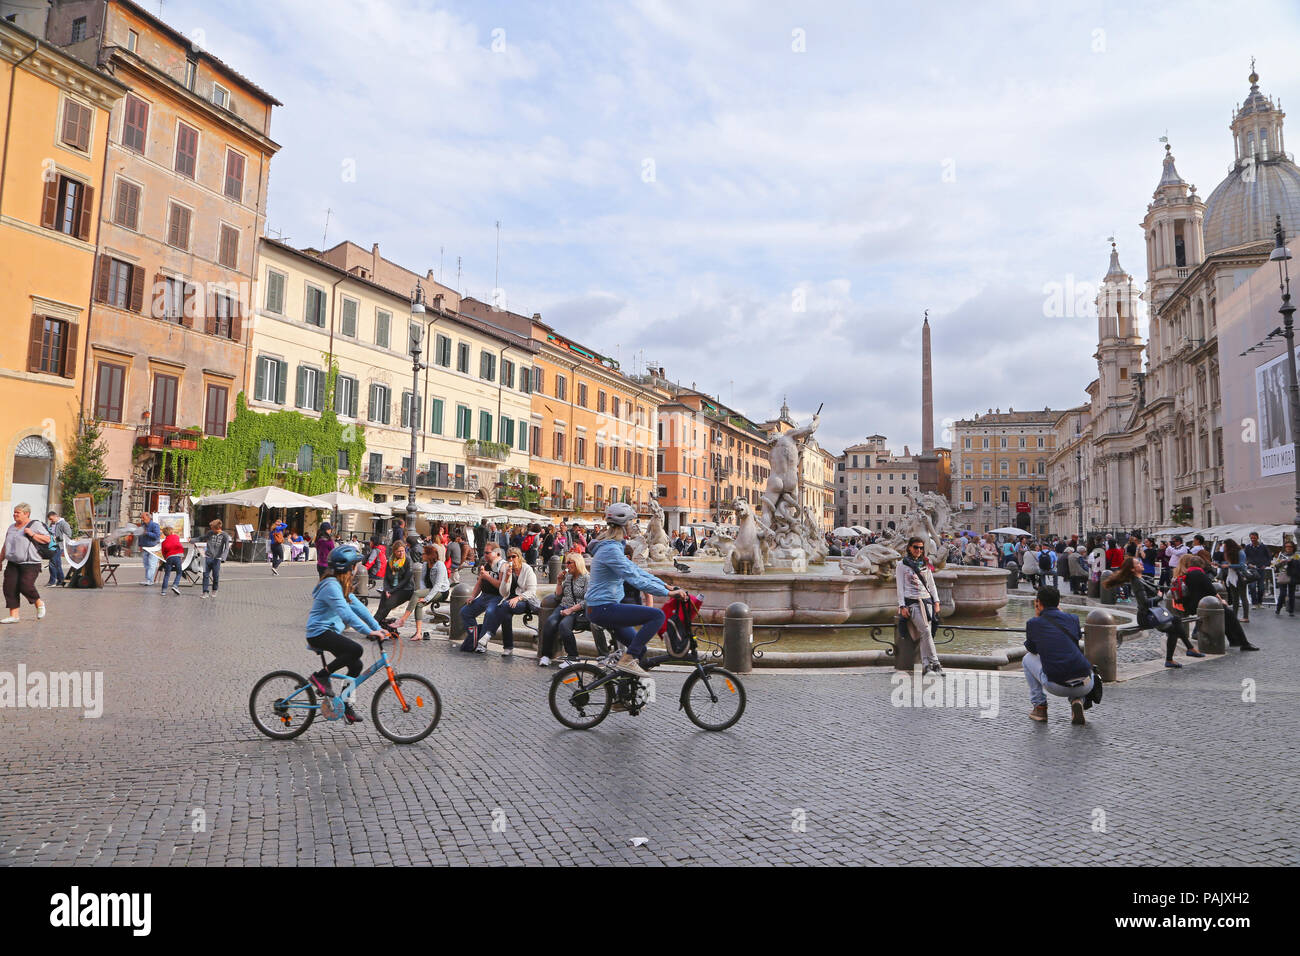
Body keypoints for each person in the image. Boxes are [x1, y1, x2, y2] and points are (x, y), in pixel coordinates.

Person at [584, 503, 687, 677]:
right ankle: (627, 659)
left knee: (639, 648)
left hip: (602, 607)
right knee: (657, 616)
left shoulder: (613, 546)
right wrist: (668, 594)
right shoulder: (610, 550)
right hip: (603, 608)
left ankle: (621, 698)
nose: (634, 525)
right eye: (632, 522)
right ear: (625, 525)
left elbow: (637, 571)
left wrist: (665, 585)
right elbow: (634, 579)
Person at [305, 544, 387, 723]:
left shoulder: (341, 585)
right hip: (318, 632)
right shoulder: (331, 586)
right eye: (355, 565)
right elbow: (346, 614)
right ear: (349, 567)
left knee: (356, 665)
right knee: (356, 649)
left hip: (329, 632)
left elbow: (358, 607)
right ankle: (321, 676)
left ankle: (345, 704)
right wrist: (368, 631)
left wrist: (377, 626)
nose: (357, 569)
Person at [1103, 556, 1202, 668]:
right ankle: (1173, 658)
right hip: (1147, 616)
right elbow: (1144, 603)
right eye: (1138, 564)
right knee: (1174, 630)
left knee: (1176, 620)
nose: (1141, 564)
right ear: (1132, 569)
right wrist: (1159, 597)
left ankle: (1189, 649)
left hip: (1153, 613)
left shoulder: (1142, 579)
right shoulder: (1137, 582)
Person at [1023, 586, 1099, 725]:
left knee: (1026, 659)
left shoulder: (1034, 623)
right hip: (1087, 683)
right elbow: (1073, 643)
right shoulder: (1073, 619)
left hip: (1056, 685)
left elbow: (1032, 649)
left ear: (1038, 602)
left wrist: (1037, 616)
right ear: (1059, 602)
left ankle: (1040, 707)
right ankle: (1078, 700)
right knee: (1072, 663)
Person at [1181, 554, 1259, 651]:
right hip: (1203, 605)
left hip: (1195, 604)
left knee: (1226, 615)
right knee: (1229, 614)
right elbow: (1211, 590)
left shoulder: (1188, 574)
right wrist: (1221, 601)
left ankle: (1235, 641)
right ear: (1201, 564)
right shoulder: (1199, 574)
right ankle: (1243, 643)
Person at [476, 547, 540, 656]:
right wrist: (507, 578)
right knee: (506, 613)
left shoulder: (527, 569)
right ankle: (508, 647)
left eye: (513, 556)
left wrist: (518, 598)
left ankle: (489, 634)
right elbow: (503, 592)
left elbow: (532, 591)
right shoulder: (507, 569)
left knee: (504, 607)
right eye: (509, 557)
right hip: (509, 601)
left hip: (526, 600)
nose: (511, 559)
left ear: (519, 557)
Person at [896, 536, 944, 676]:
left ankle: (926, 666)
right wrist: (902, 606)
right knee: (926, 631)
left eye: (921, 548)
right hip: (912, 601)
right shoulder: (902, 564)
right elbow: (899, 586)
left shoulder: (925, 563)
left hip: (927, 601)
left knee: (925, 633)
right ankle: (935, 662)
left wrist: (936, 602)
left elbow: (931, 584)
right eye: (916, 547)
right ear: (909, 548)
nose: (918, 550)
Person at [1, 504, 50, 623]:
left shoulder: (35, 525)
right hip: (13, 562)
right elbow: (5, 544)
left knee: (26, 585)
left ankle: (39, 603)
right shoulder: (12, 527)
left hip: (31, 562)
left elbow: (47, 539)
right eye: (14, 512)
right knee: (9, 587)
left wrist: (32, 534)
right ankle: (14, 615)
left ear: (26, 513)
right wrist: (1, 558)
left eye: (18, 512)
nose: (15, 515)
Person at [539, 552, 588, 667]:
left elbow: (587, 600)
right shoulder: (568, 577)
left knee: (564, 626)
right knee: (550, 622)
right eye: (566, 562)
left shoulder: (586, 578)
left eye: (569, 563)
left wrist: (571, 610)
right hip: (563, 606)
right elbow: (558, 596)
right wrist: (559, 581)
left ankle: (573, 657)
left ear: (577, 563)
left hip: (576, 609)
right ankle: (546, 655)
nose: (566, 565)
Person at [395, 543, 450, 641]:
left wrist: (426, 598)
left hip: (441, 591)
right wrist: (423, 592)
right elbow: (421, 580)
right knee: (419, 604)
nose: (422, 555)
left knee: (416, 594)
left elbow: (438, 585)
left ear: (430, 555)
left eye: (424, 554)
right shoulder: (425, 564)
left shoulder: (440, 565)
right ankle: (418, 633)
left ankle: (402, 619)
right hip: (430, 590)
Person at [459, 541, 505, 652]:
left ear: (496, 553)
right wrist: (472, 596)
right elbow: (480, 582)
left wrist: (487, 576)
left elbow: (501, 586)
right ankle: (475, 635)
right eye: (484, 553)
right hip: (484, 596)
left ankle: (481, 644)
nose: (484, 555)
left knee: (489, 613)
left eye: (487, 553)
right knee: (465, 612)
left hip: (497, 597)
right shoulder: (485, 564)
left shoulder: (503, 566)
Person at [375, 539, 415, 624]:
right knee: (382, 606)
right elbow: (386, 577)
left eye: (403, 551)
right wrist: (386, 589)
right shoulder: (390, 561)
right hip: (391, 587)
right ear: (394, 552)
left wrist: (391, 591)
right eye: (399, 551)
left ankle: (373, 624)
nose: (401, 553)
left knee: (388, 604)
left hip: (405, 589)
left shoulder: (408, 560)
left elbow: (406, 580)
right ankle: (377, 623)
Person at [1217, 539, 1251, 624]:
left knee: (1243, 597)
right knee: (1234, 597)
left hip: (1240, 576)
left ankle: (1246, 617)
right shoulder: (1231, 553)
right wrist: (1221, 565)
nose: (1224, 547)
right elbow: (1229, 563)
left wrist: (1228, 565)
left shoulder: (1240, 552)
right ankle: (1234, 616)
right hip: (1232, 576)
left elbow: (1242, 565)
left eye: (1225, 546)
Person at [199, 519, 231, 597]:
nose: (211, 529)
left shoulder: (225, 535)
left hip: (217, 559)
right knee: (205, 575)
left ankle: (214, 589)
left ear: (216, 528)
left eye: (212, 527)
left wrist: (223, 557)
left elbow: (227, 547)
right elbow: (202, 538)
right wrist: (191, 540)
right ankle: (205, 592)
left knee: (215, 576)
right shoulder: (210, 533)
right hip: (207, 557)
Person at [1242, 532, 1271, 610]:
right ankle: (1254, 603)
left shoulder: (1263, 547)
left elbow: (1269, 557)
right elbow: (1244, 558)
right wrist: (1248, 564)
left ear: (1257, 538)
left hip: (1261, 569)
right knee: (1252, 586)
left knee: (1261, 587)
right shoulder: (1248, 547)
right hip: (1252, 569)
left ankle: (1260, 602)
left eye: (1254, 538)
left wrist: (1266, 565)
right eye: (1251, 538)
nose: (1253, 539)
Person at [45, 510, 72, 587]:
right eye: (50, 519)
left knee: (52, 563)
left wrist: (57, 537)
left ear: (56, 516)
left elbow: (69, 535)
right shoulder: (53, 524)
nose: (51, 521)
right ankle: (61, 580)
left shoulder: (64, 524)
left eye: (51, 519)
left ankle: (52, 581)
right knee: (57, 563)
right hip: (52, 545)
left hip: (59, 546)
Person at [1272, 540, 1299, 615]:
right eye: (1287, 546)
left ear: (1293, 547)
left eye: (1290, 546)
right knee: (1282, 593)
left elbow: (1298, 566)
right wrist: (1281, 562)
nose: (1288, 548)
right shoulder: (1281, 555)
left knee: (1291, 594)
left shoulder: (1296, 555)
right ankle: (1278, 608)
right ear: (1284, 547)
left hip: (1293, 576)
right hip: (1283, 575)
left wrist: (1292, 561)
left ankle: (1291, 611)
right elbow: (1276, 565)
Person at [158, 525, 185, 595]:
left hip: (169, 557)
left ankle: (163, 591)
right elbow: (177, 544)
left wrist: (165, 559)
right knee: (179, 572)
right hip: (177, 556)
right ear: (171, 531)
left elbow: (163, 552)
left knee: (167, 574)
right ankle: (175, 585)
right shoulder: (176, 537)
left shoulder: (163, 542)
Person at [138, 511, 161, 586]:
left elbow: (157, 536)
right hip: (145, 547)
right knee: (146, 564)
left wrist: (147, 533)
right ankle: (148, 579)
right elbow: (140, 536)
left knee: (152, 564)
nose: (142, 519)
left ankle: (149, 580)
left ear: (148, 517)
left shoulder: (155, 525)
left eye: (143, 517)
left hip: (153, 548)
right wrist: (140, 545)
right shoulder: (143, 525)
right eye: (141, 517)